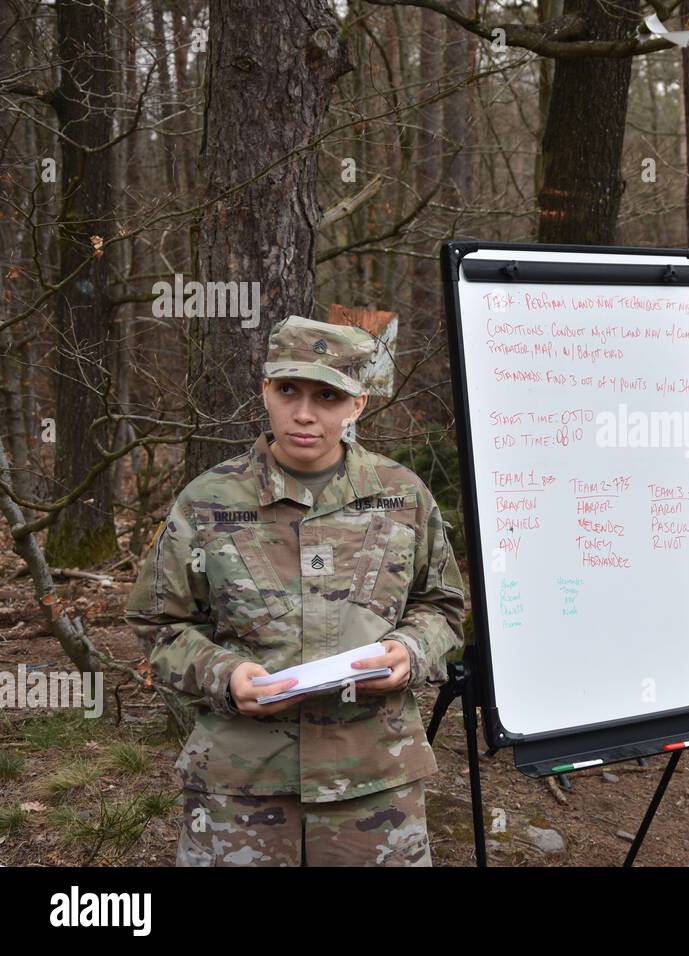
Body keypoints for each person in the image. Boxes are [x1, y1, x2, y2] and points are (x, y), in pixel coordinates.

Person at [127, 315, 465, 866]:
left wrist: (412, 650)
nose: (304, 414)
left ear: (358, 404)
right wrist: (224, 674)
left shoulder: (402, 497)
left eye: (328, 396)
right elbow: (158, 622)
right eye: (289, 390)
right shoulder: (207, 501)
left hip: (373, 781)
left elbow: (444, 604)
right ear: (265, 391)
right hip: (242, 785)